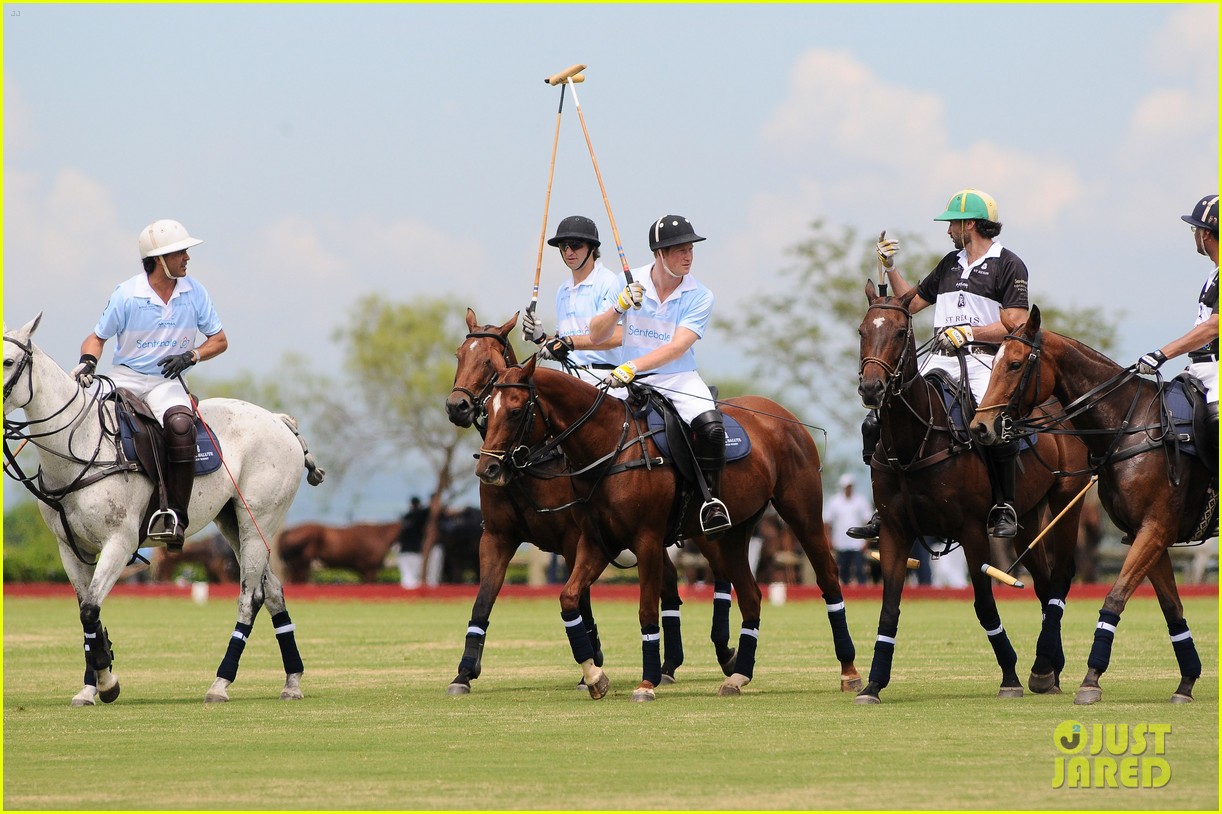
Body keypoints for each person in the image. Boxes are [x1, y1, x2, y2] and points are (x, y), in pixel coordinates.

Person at [849, 189, 1028, 541]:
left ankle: (1004, 505)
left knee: (991, 426)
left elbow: (1016, 323)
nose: (948, 231)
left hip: (982, 360)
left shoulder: (1008, 263)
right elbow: (910, 304)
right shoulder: (950, 263)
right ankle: (883, 507)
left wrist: (969, 332)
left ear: (971, 224)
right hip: (938, 357)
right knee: (880, 419)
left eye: (952, 224)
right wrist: (890, 268)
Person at [72, 219, 226, 548]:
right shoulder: (127, 294)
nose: (187, 257)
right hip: (123, 377)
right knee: (82, 414)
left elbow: (219, 340)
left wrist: (192, 356)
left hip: (164, 381)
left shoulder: (194, 292)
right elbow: (96, 338)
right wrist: (88, 362)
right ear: (159, 259)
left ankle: (176, 517)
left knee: (182, 426)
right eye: (180, 252)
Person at [588, 214, 731, 534]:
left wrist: (632, 366)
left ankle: (710, 501)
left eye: (690, 249)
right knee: (584, 424)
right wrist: (619, 307)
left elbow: (678, 347)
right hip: (628, 380)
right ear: (659, 254)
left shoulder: (700, 295)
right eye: (679, 250)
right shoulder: (626, 282)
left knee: (711, 428)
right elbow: (597, 334)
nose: (688, 256)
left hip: (677, 378)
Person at [1135, 193, 1218, 450]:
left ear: (1205, 234)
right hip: (1200, 369)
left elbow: (1214, 327)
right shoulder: (1214, 273)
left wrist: (1162, 353)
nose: (1194, 234)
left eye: (1195, 228)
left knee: (1216, 423)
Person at [521, 215, 627, 392]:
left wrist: (568, 342)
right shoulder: (562, 290)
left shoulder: (609, 282)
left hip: (605, 381)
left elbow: (618, 336)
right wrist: (541, 338)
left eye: (576, 245)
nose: (569, 252)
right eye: (564, 247)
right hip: (567, 379)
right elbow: (563, 344)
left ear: (592, 248)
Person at [823, 473, 873, 586]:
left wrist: (866, 541)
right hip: (840, 543)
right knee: (843, 571)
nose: (848, 489)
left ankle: (862, 593)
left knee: (860, 569)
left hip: (857, 544)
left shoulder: (860, 501)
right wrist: (829, 539)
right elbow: (827, 523)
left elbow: (868, 522)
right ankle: (846, 594)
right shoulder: (834, 502)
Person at [396, 496, 429, 590]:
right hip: (413, 550)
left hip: (410, 550)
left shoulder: (411, 516)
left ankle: (410, 594)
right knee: (412, 575)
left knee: (408, 576)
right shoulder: (414, 516)